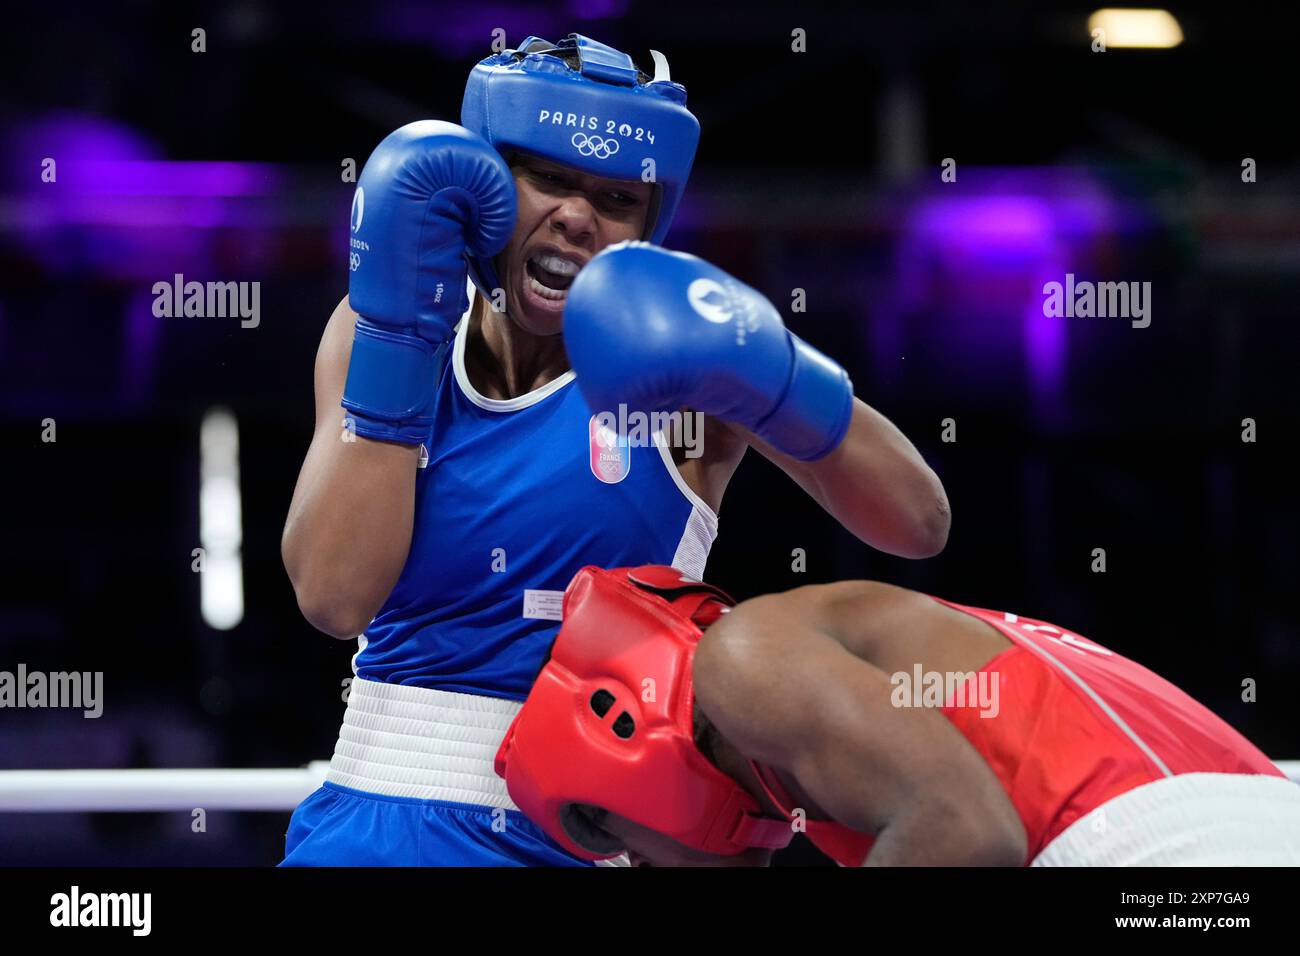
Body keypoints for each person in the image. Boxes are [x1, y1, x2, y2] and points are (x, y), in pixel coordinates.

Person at [280, 34, 949, 866]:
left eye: (613, 196)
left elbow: (918, 522)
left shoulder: (686, 370)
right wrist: (395, 341)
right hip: (371, 823)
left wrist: (774, 373)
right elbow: (334, 597)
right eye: (548, 178)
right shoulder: (387, 326)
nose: (575, 214)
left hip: (593, 836)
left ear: (648, 222)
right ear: (484, 178)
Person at [498, 564, 1300, 866]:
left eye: (628, 853)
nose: (641, 871)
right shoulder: (838, 723)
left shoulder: (740, 661)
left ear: (626, 739)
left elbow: (965, 828)